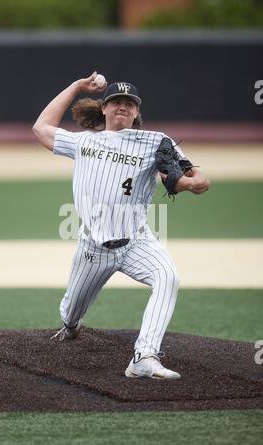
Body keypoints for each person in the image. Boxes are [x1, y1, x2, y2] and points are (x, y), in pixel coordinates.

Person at [33, 71, 210, 380]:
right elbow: (40, 127)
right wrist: (76, 86)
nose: (122, 108)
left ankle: (145, 356)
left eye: (129, 104)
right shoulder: (84, 142)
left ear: (136, 111)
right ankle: (72, 325)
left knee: (168, 277)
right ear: (104, 108)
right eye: (116, 102)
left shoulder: (156, 142)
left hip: (136, 242)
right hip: (93, 248)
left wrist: (181, 182)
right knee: (71, 315)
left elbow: (200, 181)